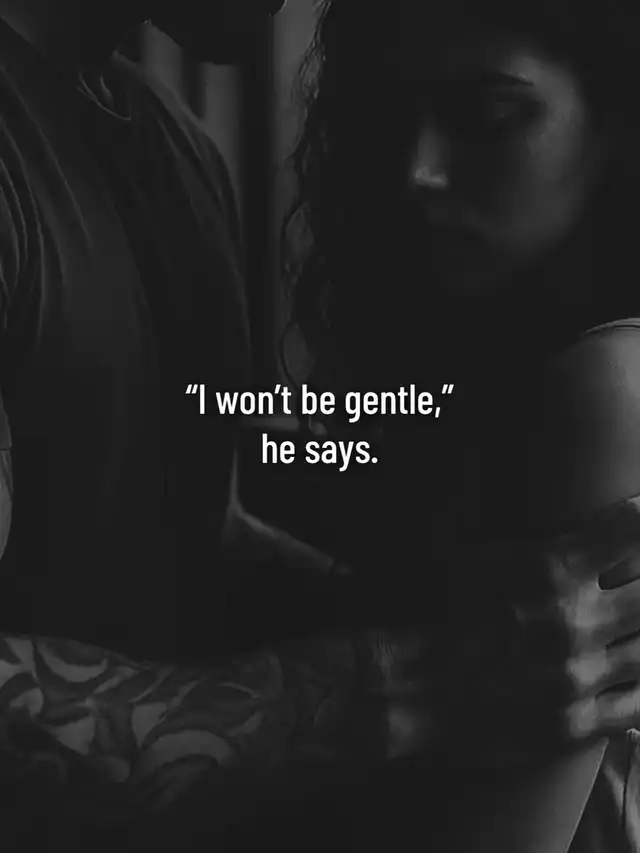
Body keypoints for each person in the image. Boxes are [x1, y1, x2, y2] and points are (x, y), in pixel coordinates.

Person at [0, 1, 637, 850]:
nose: (417, 172)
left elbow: (200, 538)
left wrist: (480, 630)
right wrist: (416, 681)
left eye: (487, 117)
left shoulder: (172, 145)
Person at [283, 0, 640, 849]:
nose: (419, 170)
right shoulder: (501, 360)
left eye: (490, 116)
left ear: (618, 125)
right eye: (391, 117)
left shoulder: (605, 389)